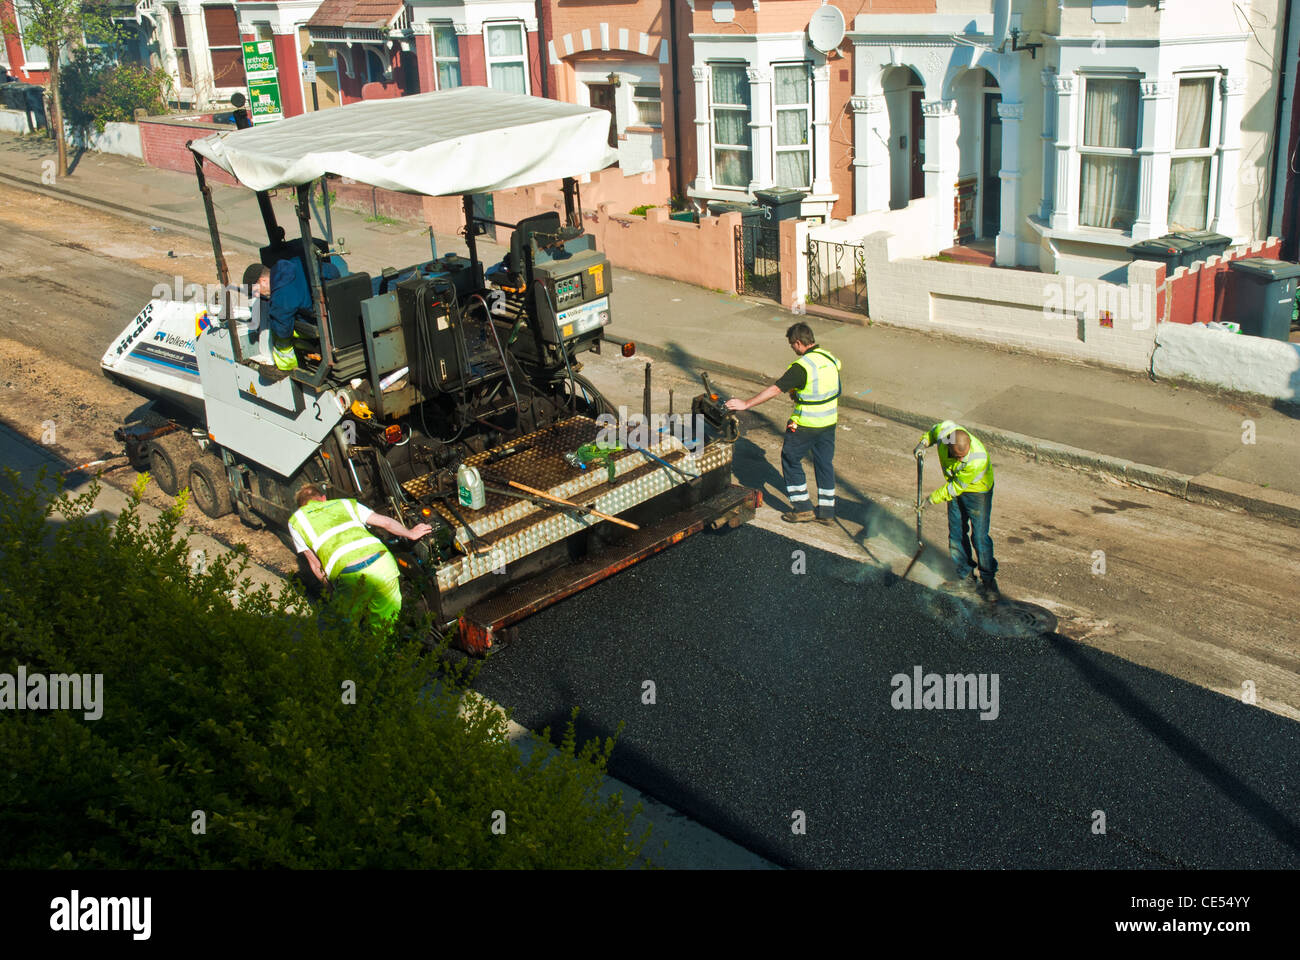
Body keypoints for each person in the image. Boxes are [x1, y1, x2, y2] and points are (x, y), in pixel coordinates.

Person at [725, 321, 841, 523]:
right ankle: (827, 511)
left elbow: (775, 389)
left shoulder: (802, 367)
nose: (793, 349)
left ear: (798, 343)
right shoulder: (830, 358)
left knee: (791, 459)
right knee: (824, 463)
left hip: (806, 424)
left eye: (792, 345)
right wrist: (800, 393)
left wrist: (746, 403)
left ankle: (803, 507)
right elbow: (825, 384)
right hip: (829, 421)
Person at [288, 484, 433, 633]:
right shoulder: (345, 503)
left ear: (300, 507)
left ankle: (358, 653)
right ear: (324, 498)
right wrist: (410, 533)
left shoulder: (296, 521)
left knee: (346, 629)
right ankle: (384, 652)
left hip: (351, 574)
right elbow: (386, 523)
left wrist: (330, 591)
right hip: (383, 563)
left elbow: (315, 565)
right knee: (385, 627)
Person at [914, 421, 998, 599]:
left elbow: (954, 489)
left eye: (963, 456)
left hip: (978, 493)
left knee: (980, 537)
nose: (960, 459)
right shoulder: (946, 432)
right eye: (957, 456)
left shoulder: (977, 459)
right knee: (956, 534)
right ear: (949, 446)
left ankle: (989, 583)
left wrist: (929, 500)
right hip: (955, 485)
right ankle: (966, 578)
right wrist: (922, 444)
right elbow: (931, 433)